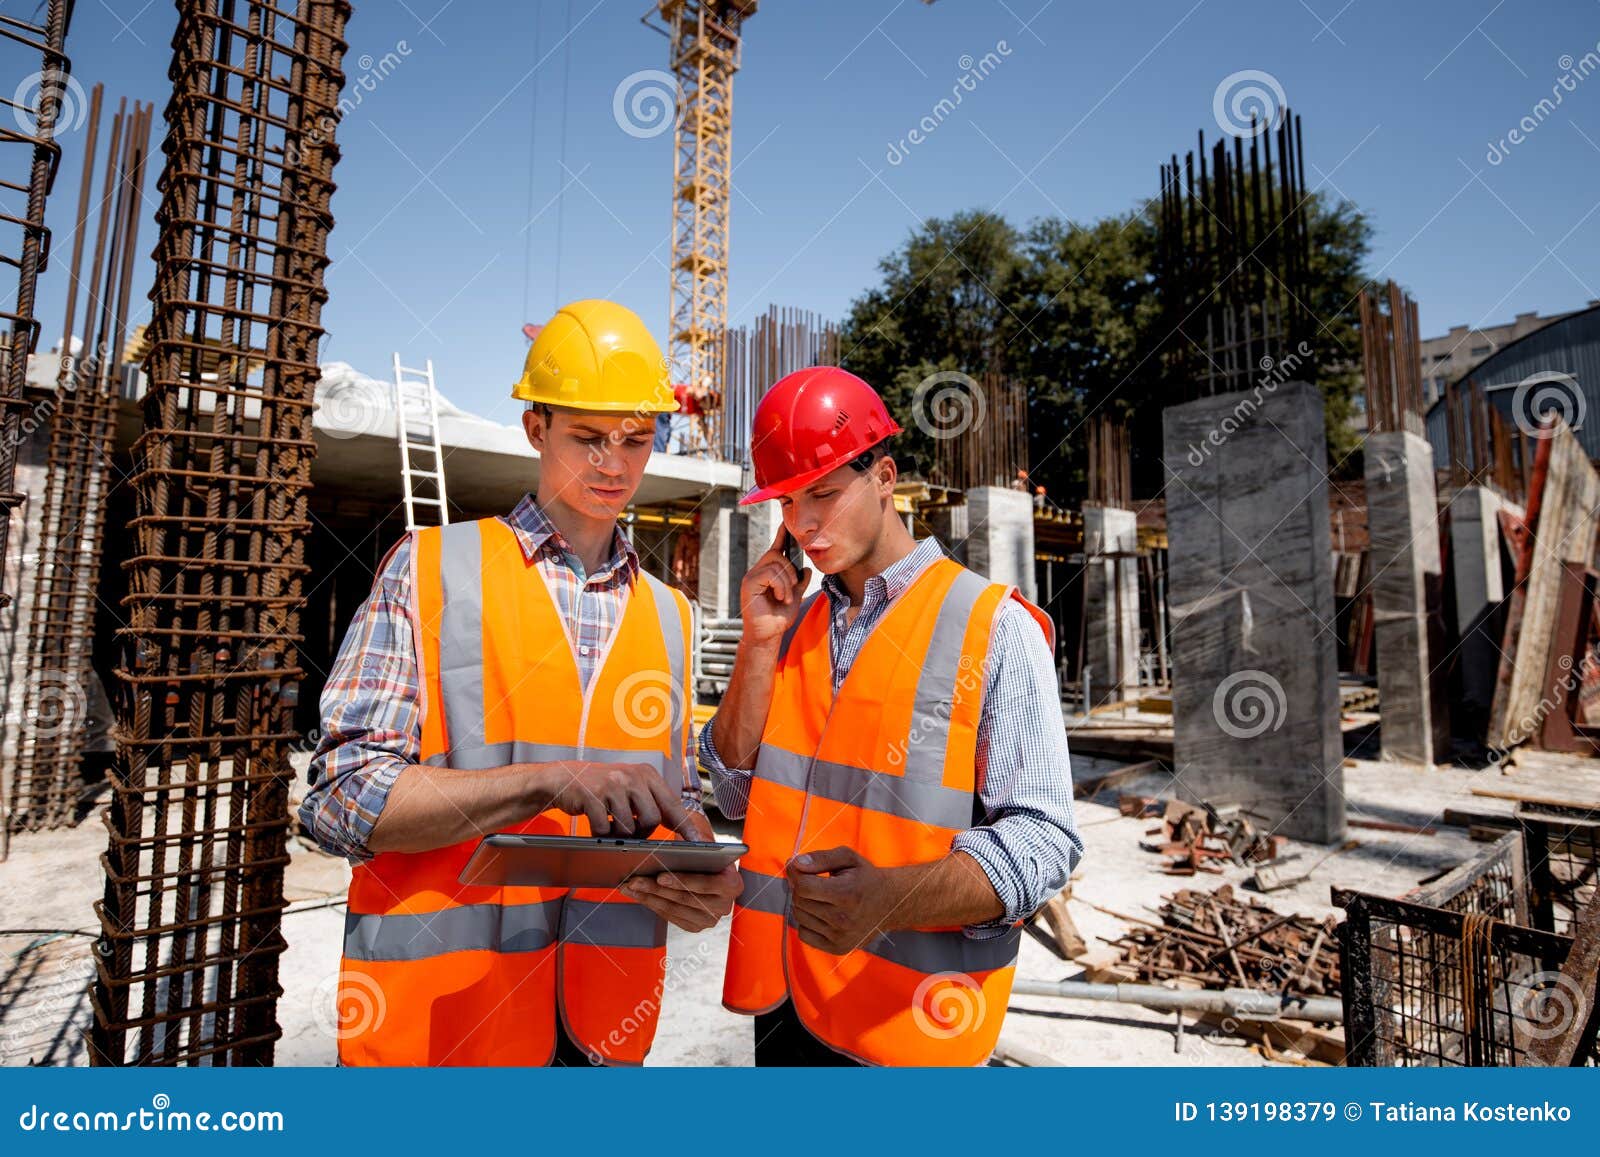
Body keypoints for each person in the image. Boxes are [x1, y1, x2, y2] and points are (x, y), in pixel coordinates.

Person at [301, 299, 742, 1066]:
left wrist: (698, 888)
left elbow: (662, 808)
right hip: (441, 1027)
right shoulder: (432, 568)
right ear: (536, 428)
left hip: (601, 1034)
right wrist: (546, 782)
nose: (614, 463)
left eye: (636, 439)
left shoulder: (672, 616)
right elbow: (339, 800)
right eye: (587, 437)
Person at [701, 366, 1084, 1066]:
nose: (805, 524)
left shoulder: (992, 628)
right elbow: (732, 790)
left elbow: (1043, 841)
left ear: (884, 476)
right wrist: (758, 646)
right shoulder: (792, 626)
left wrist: (891, 898)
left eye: (823, 492)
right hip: (786, 1007)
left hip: (909, 1027)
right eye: (788, 502)